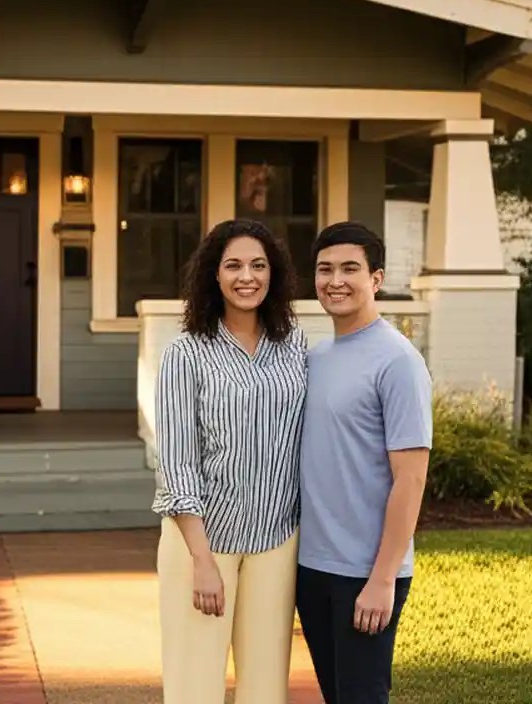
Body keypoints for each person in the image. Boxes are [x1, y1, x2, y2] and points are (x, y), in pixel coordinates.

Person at [152, 218, 308, 704]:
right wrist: (201, 560)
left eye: (259, 265)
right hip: (203, 539)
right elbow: (177, 461)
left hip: (276, 537)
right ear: (213, 276)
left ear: (273, 274)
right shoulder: (185, 354)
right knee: (194, 685)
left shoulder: (294, 347)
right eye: (234, 265)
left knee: (266, 688)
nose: (248, 276)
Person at [295, 221, 433, 704]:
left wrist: (382, 579)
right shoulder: (317, 356)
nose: (336, 281)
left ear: (375, 278)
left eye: (350, 268)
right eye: (324, 269)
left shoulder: (397, 361)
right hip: (312, 567)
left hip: (366, 572)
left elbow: (411, 479)